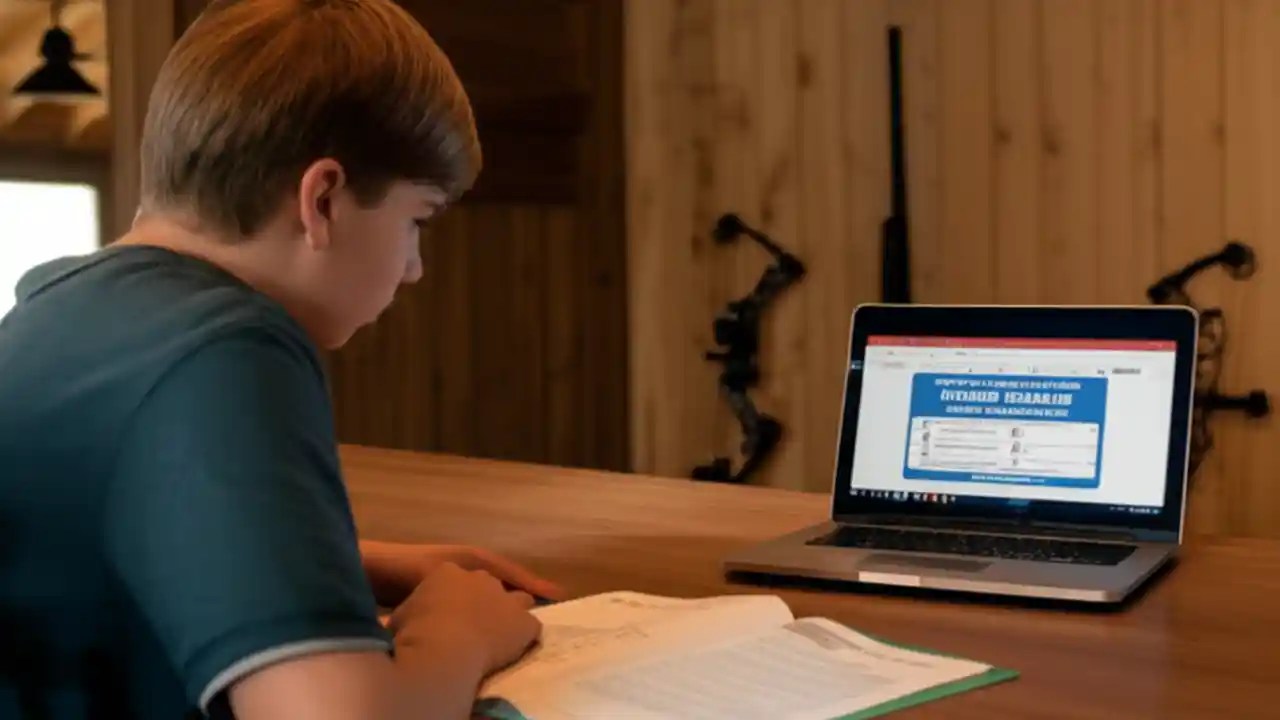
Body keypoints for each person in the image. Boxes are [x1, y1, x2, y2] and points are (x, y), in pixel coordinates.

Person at [0, 1, 565, 718]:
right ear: (322, 199)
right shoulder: (221, 350)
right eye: (416, 220)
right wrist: (457, 632)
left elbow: (103, 547)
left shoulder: (56, 309)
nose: (416, 267)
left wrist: (352, 564)